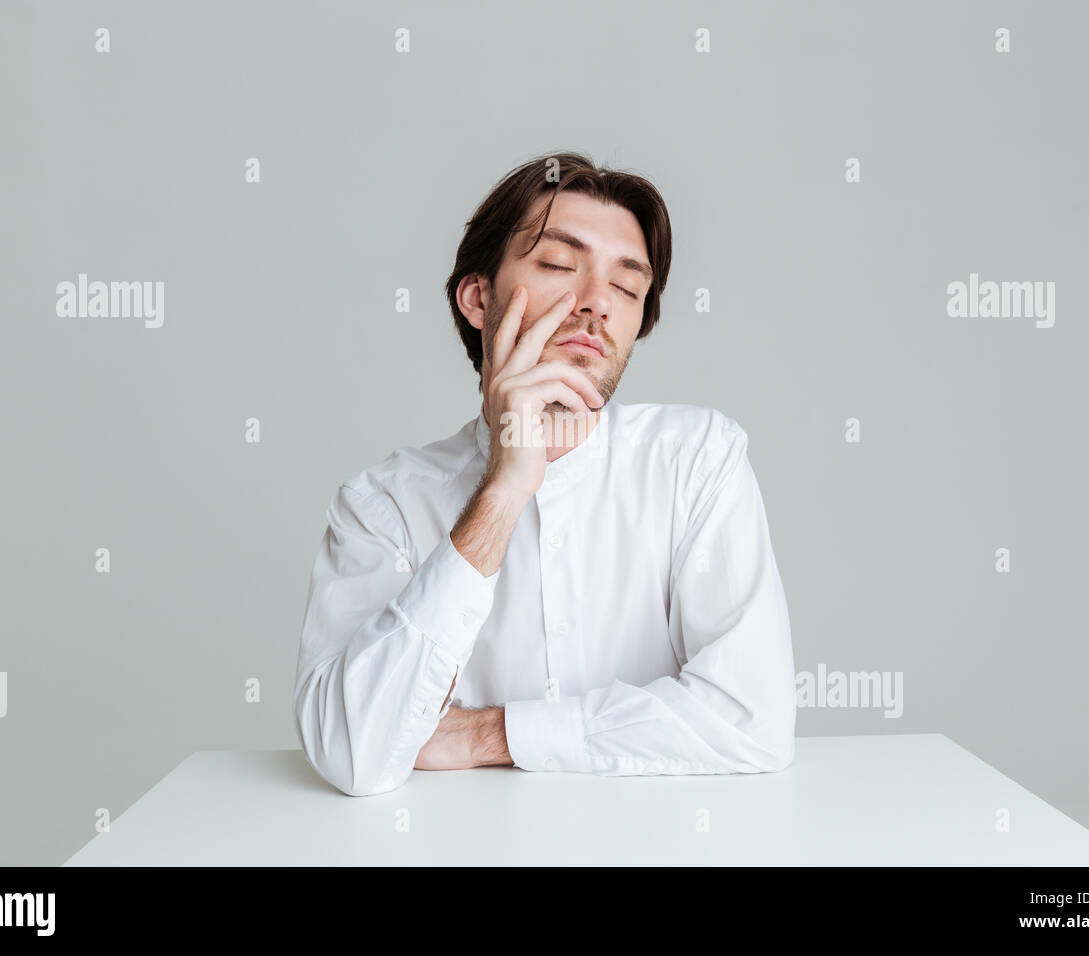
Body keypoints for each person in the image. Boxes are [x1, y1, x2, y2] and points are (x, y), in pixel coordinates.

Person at [293, 151, 796, 796]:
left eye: (626, 286)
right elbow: (353, 752)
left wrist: (489, 734)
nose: (596, 305)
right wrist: (503, 489)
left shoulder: (697, 459)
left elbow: (752, 721)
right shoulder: (382, 504)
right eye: (560, 265)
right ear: (478, 298)